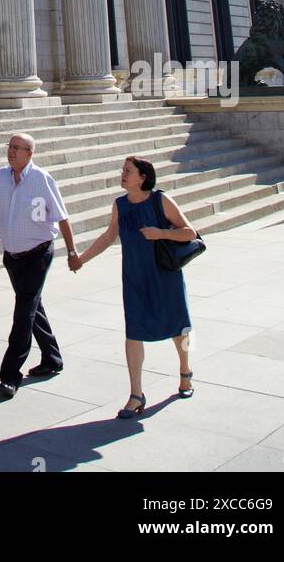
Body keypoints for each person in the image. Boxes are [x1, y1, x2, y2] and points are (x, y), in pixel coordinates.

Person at [71, 155, 197, 418]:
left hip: (165, 275)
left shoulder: (160, 200)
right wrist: (82, 259)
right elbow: (108, 236)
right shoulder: (120, 205)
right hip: (134, 278)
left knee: (179, 326)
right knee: (133, 332)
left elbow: (190, 232)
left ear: (143, 177)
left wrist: (161, 232)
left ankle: (185, 372)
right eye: (123, 170)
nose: (123, 174)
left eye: (128, 171)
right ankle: (136, 394)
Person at [0, 132, 77, 399]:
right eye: (10, 147)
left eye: (17, 148)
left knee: (23, 312)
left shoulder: (42, 180)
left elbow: (62, 217)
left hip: (38, 254)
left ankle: (9, 375)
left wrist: (72, 250)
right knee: (32, 306)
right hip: (12, 256)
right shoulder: (0, 177)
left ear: (29, 154)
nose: (11, 151)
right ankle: (52, 358)